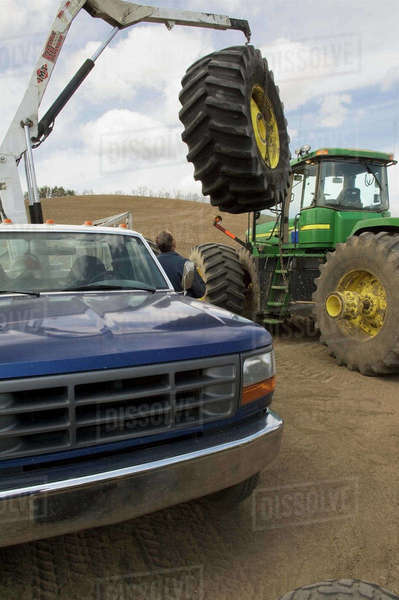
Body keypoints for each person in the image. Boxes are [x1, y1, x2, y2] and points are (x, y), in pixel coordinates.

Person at [155, 230, 205, 298]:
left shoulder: (152, 264)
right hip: (181, 305)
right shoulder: (187, 264)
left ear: (158, 246)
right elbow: (200, 292)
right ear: (173, 243)